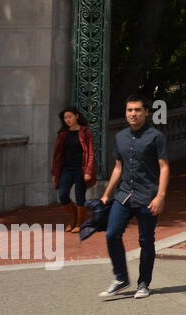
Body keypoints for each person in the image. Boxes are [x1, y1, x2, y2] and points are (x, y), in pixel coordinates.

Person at [98, 93, 168, 299]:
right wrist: (106, 195)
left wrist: (160, 196)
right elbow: (118, 168)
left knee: (146, 240)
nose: (133, 114)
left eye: (137, 110)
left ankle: (143, 283)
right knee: (112, 233)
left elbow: (164, 167)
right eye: (130, 110)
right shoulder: (120, 137)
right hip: (124, 195)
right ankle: (120, 277)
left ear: (146, 112)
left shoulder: (156, 137)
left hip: (148, 195)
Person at [52, 106, 95, 233]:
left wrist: (88, 171)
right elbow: (57, 154)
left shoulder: (85, 131)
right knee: (63, 194)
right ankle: (72, 218)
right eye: (65, 118)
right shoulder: (62, 133)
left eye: (70, 117)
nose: (67, 120)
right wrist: (54, 172)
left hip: (80, 169)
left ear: (76, 116)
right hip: (66, 168)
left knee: (79, 196)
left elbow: (90, 152)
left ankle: (80, 222)